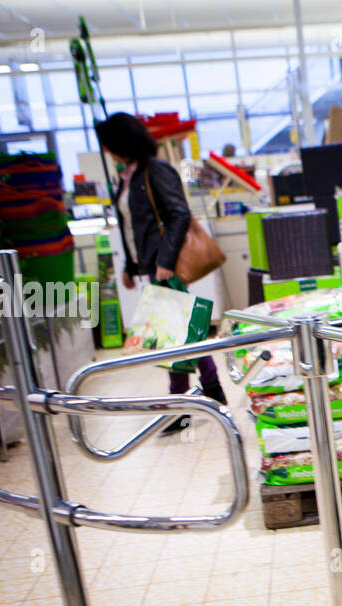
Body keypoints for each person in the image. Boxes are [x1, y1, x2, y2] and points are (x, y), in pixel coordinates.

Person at [94, 112, 227, 434]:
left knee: (173, 335)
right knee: (183, 330)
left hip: (165, 264)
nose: (108, 152)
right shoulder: (129, 175)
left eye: (110, 145)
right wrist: (129, 265)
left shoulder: (156, 170)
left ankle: (179, 404)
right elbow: (131, 226)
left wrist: (165, 260)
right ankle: (210, 389)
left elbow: (179, 214)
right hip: (151, 265)